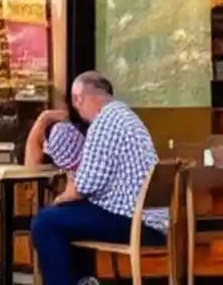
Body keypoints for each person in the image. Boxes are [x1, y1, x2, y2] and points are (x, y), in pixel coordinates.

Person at [30, 72, 166, 285]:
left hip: (133, 221)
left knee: (46, 222)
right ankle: (85, 282)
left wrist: (59, 201)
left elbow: (83, 187)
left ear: (79, 99)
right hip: (151, 219)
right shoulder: (124, 116)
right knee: (70, 216)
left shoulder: (104, 122)